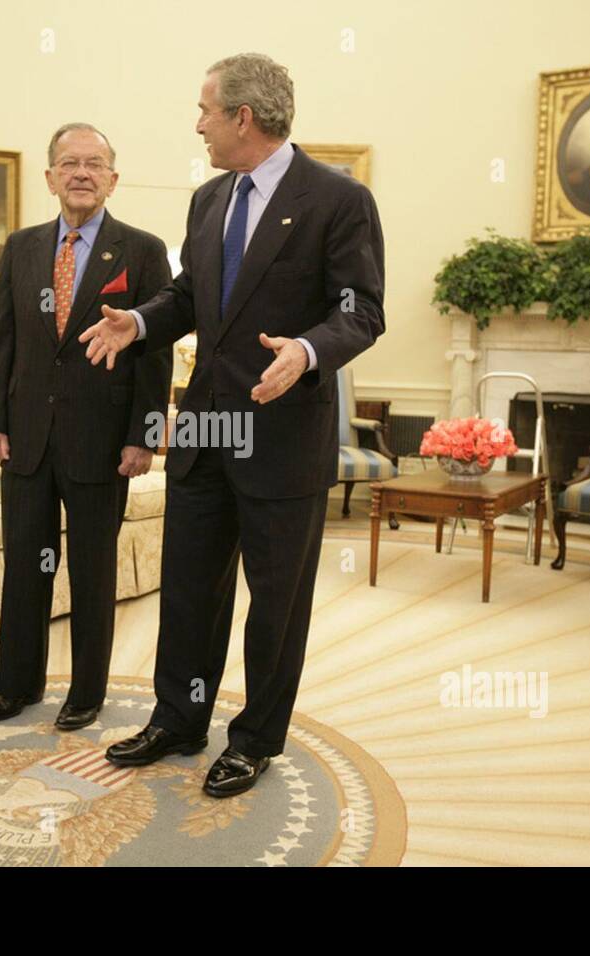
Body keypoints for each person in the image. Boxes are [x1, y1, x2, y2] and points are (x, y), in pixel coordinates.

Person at [78, 53, 385, 796]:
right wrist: (140, 323)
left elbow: (362, 310)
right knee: (188, 587)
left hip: (282, 433)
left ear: (242, 117)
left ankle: (254, 740)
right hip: (205, 433)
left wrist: (309, 350)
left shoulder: (338, 200)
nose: (199, 123)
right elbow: (190, 297)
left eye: (206, 110)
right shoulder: (209, 198)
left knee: (274, 603)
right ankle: (178, 720)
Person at [0, 123, 172, 730]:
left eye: (94, 163)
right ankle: (18, 686)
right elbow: (0, 339)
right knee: (25, 566)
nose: (81, 173)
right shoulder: (22, 246)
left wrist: (145, 435)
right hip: (26, 441)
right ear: (50, 177)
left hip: (101, 445)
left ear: (113, 177)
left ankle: (86, 693)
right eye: (69, 163)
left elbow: (155, 351)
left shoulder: (142, 250)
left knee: (91, 572)